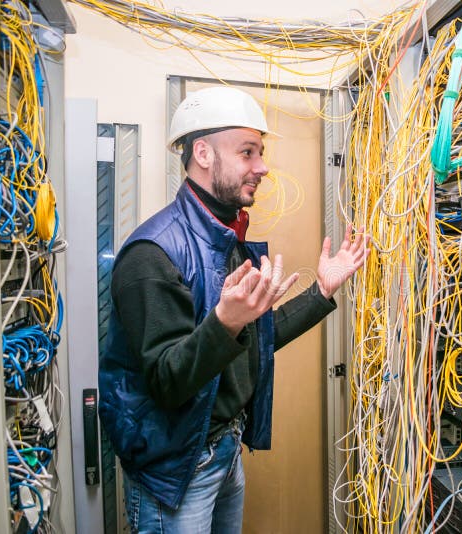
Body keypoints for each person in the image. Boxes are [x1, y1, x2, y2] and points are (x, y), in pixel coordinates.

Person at [98, 86, 369, 533]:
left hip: (223, 452)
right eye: (247, 152)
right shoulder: (152, 255)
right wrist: (225, 322)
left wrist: (321, 291)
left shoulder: (224, 237)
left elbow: (250, 340)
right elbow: (168, 383)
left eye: (259, 153)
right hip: (177, 471)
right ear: (202, 153)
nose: (262, 167)